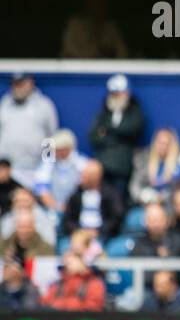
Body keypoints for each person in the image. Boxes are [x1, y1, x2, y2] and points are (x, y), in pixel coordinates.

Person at [88, 73, 146, 201]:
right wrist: (117, 136)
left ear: (127, 93)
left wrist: (108, 131)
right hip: (103, 169)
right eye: (112, 94)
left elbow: (132, 130)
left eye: (118, 93)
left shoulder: (134, 112)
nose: (115, 97)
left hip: (122, 169)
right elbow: (93, 136)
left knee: (119, 201)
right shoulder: (103, 113)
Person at [0, 73, 59, 190]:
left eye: (21, 84)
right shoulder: (4, 104)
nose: (17, 88)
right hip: (8, 170)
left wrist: (47, 166)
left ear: (30, 83)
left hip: (35, 169)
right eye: (15, 84)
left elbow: (51, 138)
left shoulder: (44, 105)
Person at [61, 159, 124, 240]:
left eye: (85, 176)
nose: (81, 179)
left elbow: (116, 218)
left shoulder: (110, 194)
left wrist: (99, 231)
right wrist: (79, 232)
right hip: (78, 236)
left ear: (95, 177)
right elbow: (68, 219)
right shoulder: (76, 194)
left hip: (102, 235)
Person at [32, 129, 89, 215]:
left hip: (77, 210)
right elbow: (42, 189)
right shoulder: (47, 164)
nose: (55, 152)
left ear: (67, 149)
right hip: (52, 211)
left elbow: (87, 189)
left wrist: (70, 208)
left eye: (58, 149)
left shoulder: (83, 164)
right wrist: (56, 207)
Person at [41, 250, 107, 312]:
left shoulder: (94, 283)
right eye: (65, 261)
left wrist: (64, 305)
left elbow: (94, 306)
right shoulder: (58, 283)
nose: (67, 263)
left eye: (72, 260)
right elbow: (45, 302)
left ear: (82, 262)